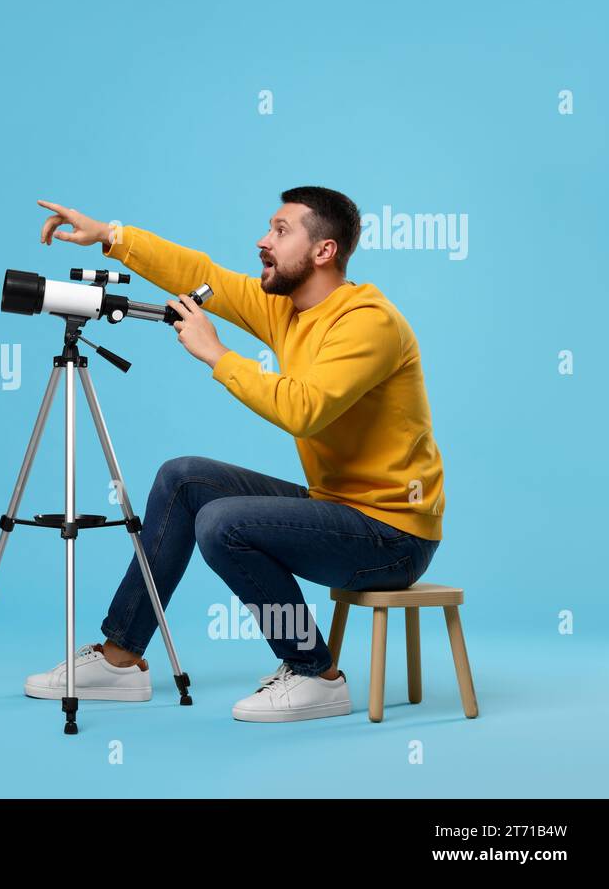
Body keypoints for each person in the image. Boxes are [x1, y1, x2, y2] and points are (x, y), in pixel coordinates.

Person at [23, 188, 445, 722]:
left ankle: (315, 673)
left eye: (280, 231)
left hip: (393, 536)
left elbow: (304, 409)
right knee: (182, 478)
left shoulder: (368, 323)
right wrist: (111, 234)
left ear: (324, 251)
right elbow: (203, 274)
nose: (262, 241)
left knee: (224, 522)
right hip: (338, 508)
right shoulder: (288, 310)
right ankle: (121, 659)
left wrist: (216, 353)